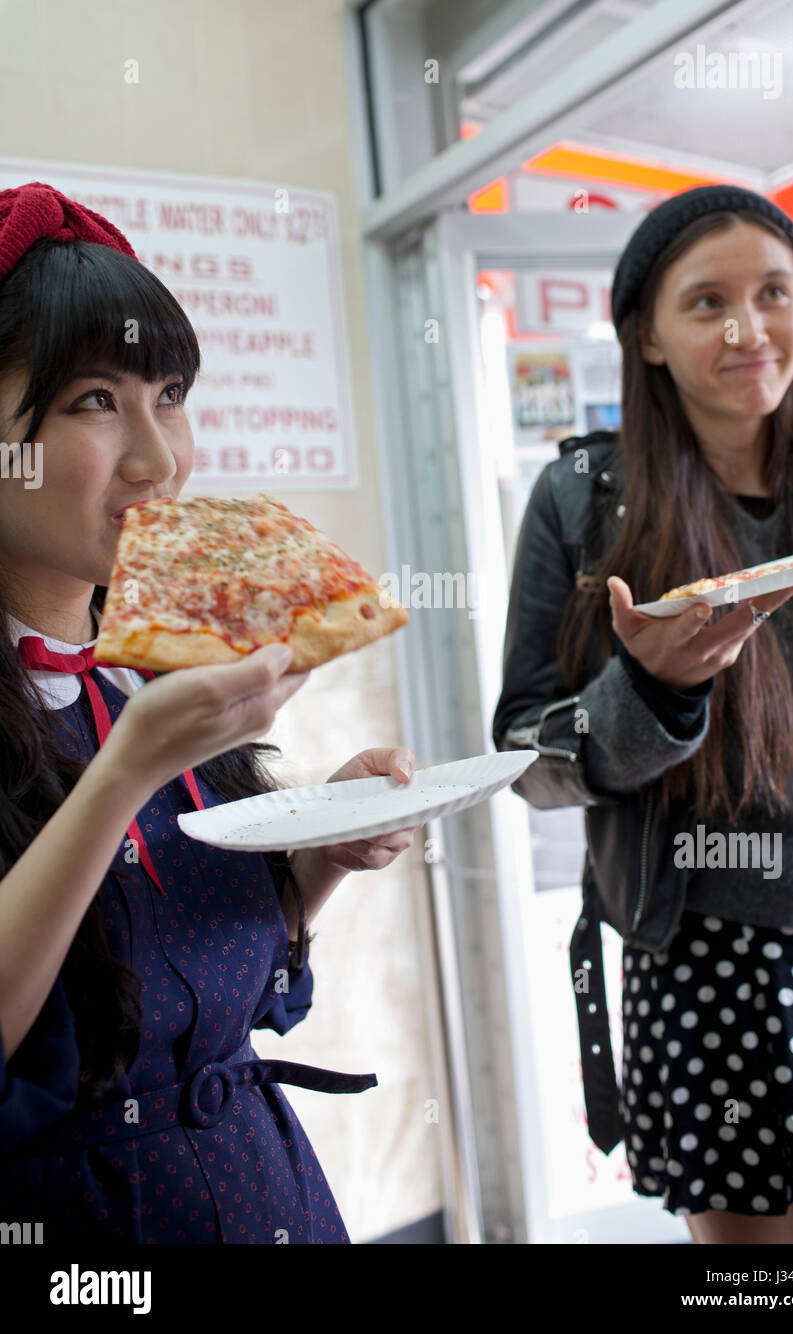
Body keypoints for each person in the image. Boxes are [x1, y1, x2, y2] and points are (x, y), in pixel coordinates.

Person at [0, 181, 419, 1244]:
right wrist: (122, 777)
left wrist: (321, 851)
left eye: (170, 393)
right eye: (94, 400)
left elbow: (239, 995)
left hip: (271, 1193)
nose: (160, 460)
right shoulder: (141, 727)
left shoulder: (158, 674)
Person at [493, 184, 793, 1245]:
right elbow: (524, 758)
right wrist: (648, 692)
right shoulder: (582, 495)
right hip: (698, 953)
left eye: (773, 293)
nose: (749, 329)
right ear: (645, 338)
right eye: (705, 303)